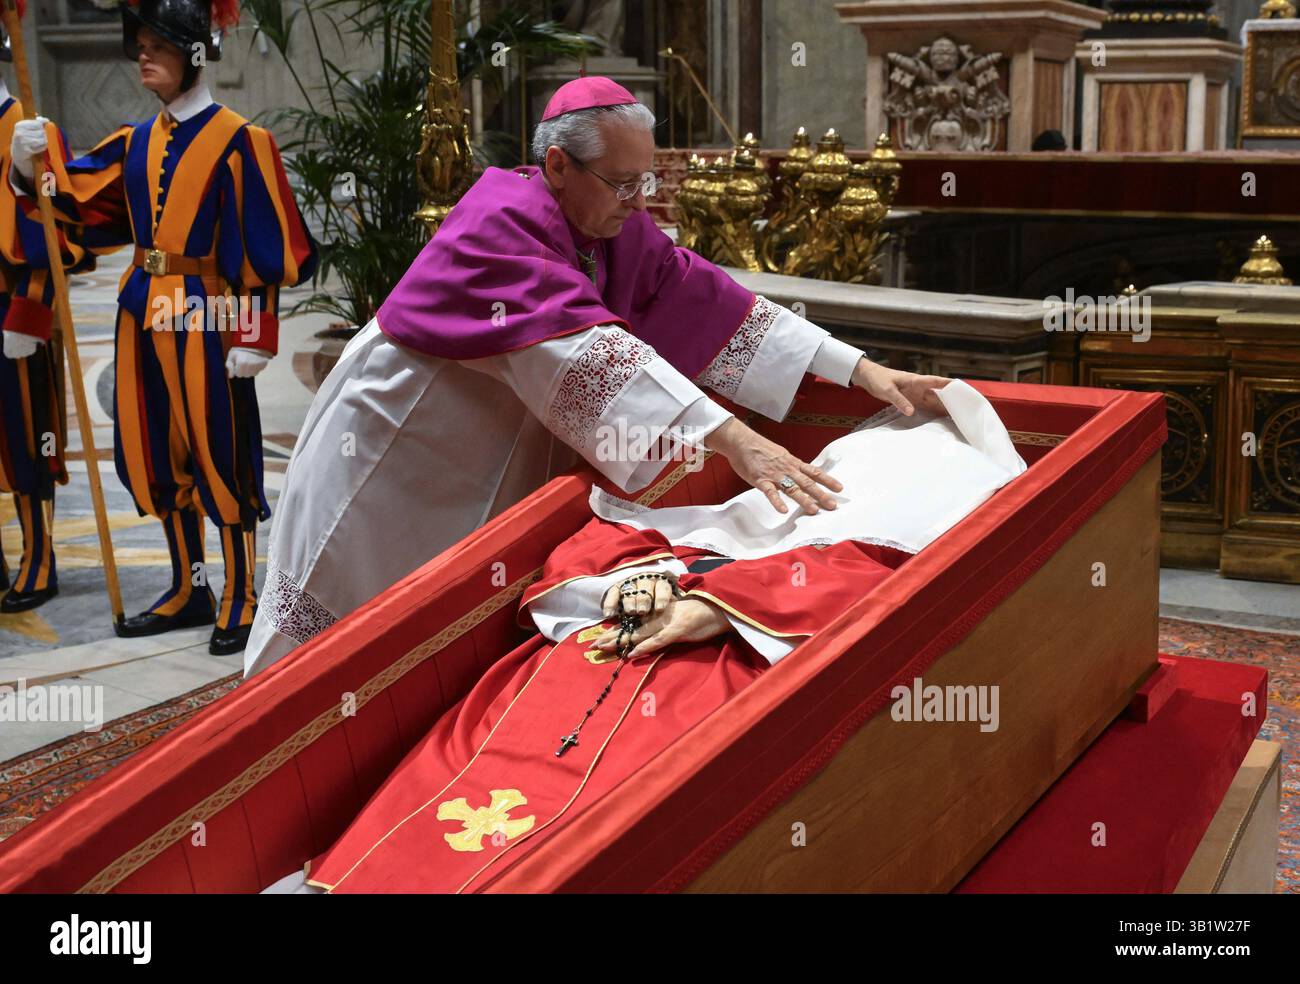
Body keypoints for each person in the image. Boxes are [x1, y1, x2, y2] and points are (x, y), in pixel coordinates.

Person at [243, 75, 948, 679]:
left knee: (433, 635)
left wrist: (858, 367)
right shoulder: (499, 225)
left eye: (647, 180)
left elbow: (710, 302)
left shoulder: (608, 224)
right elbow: (590, 355)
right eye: (622, 183)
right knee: (325, 638)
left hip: (479, 459)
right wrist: (736, 440)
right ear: (557, 166)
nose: (640, 200)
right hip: (391, 459)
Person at [261, 380, 1025, 893]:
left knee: (618, 801)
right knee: (480, 759)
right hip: (608, 641)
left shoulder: (904, 540)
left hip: (728, 663)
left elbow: (877, 592)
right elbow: (610, 541)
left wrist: (722, 605)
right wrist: (644, 576)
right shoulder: (772, 504)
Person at [8, 0, 317, 653]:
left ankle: (240, 593)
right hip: (141, 311)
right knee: (155, 452)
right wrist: (23, 164)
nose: (143, 55)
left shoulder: (241, 141)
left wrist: (255, 335)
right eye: (139, 44)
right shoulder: (135, 141)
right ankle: (189, 587)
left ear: (194, 53)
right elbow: (77, 206)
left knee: (221, 453)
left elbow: (262, 245)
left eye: (158, 45)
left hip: (208, 313)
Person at [0, 7, 88, 613]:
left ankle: (39, 555)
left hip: (12, 309)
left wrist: (20, 175)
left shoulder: (29, 128)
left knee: (29, 437)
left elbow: (58, 237)